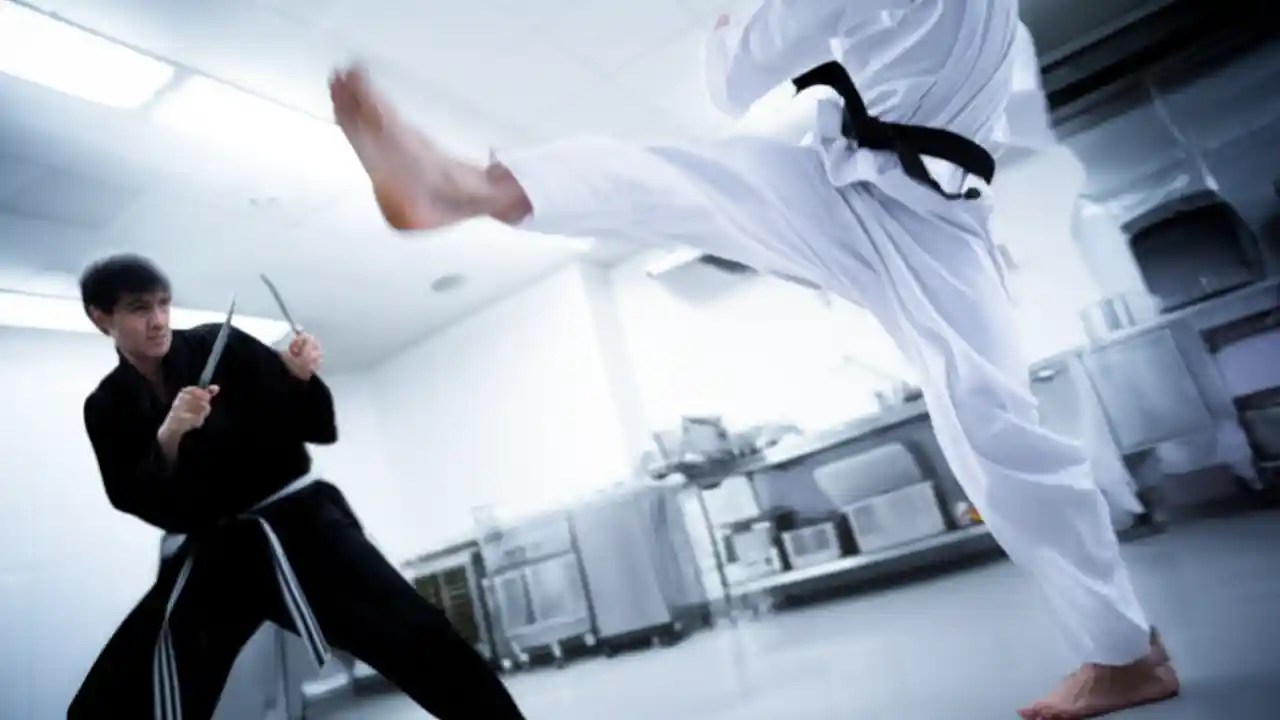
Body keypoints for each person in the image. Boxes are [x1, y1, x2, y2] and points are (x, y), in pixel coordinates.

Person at [326, 1, 1182, 717]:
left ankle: (1123, 654)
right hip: (867, 179)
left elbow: (734, 75)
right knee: (684, 178)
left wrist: (732, 22)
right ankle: (472, 187)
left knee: (993, 429)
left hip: (917, 208)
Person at [69, 254, 526, 720]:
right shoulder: (106, 406)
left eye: (165, 304)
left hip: (302, 526)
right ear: (101, 317)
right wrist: (168, 437)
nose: (159, 320)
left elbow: (315, 428)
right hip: (217, 551)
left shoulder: (219, 347)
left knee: (416, 635)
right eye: (140, 308)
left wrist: (298, 378)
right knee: (115, 697)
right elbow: (132, 496)